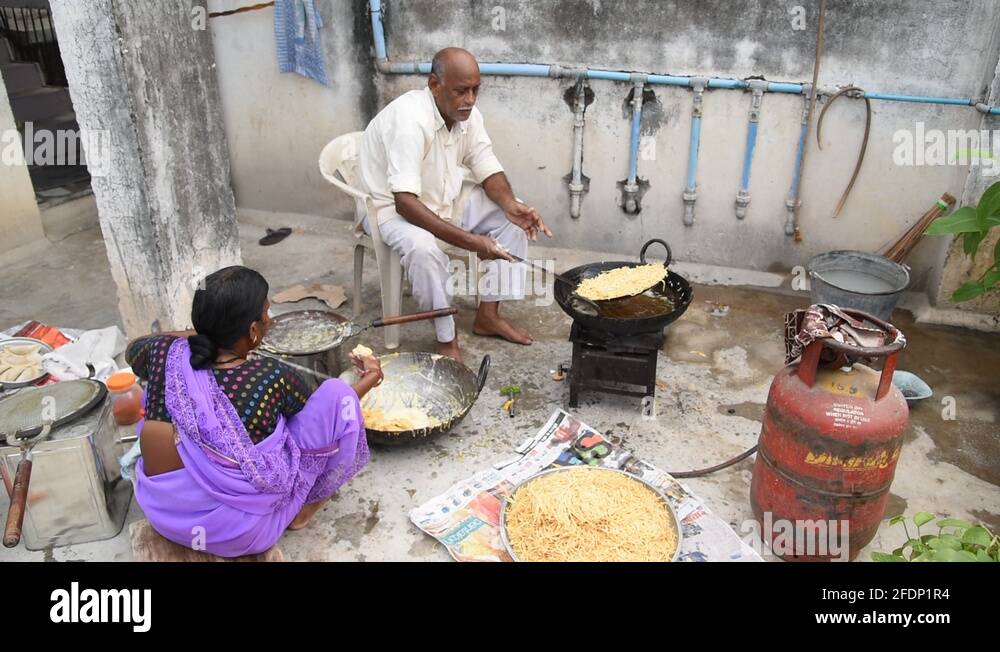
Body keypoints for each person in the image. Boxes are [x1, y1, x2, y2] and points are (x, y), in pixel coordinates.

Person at [125, 265, 381, 557]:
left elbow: (133, 350)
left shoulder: (163, 351)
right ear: (253, 330)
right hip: (241, 533)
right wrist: (367, 381)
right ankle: (302, 511)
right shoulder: (269, 374)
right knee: (336, 395)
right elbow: (324, 413)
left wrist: (202, 333)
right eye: (266, 313)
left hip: (167, 519)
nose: (269, 320)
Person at [358, 46, 552, 362]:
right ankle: (446, 338)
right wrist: (472, 241)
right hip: (387, 207)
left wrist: (508, 203)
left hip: (442, 197)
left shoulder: (467, 115)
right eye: (462, 91)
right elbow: (405, 203)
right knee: (425, 250)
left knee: (513, 214)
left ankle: (488, 316)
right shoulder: (410, 121)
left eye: (476, 90)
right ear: (435, 85)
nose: (471, 100)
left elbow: (485, 162)